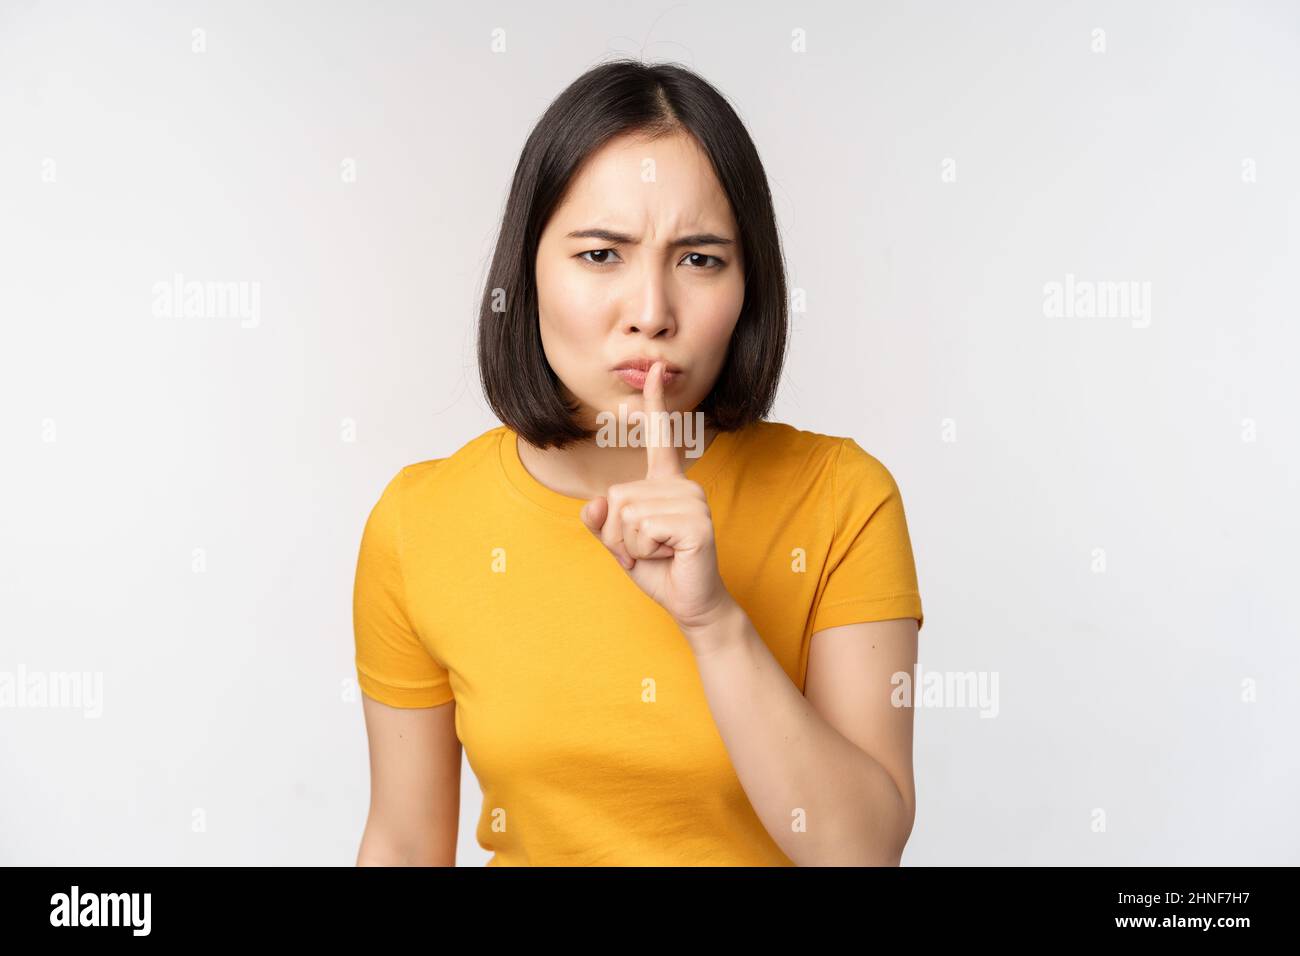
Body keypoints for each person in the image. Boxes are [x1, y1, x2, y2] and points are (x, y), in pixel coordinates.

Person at [353, 58, 924, 867]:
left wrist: (715, 624)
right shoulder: (420, 522)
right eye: (600, 255)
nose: (652, 314)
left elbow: (860, 853)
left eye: (699, 259)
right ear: (528, 272)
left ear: (748, 285)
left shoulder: (840, 498)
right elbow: (405, 843)